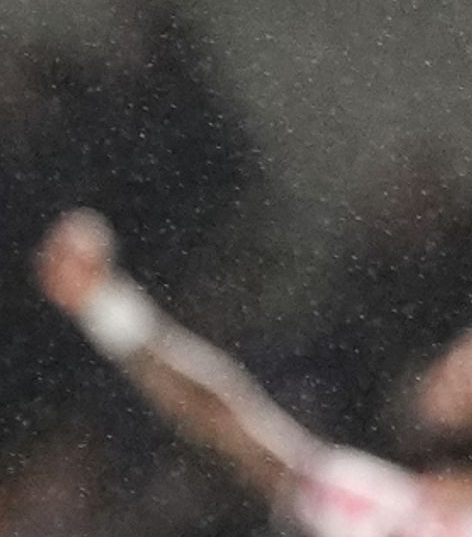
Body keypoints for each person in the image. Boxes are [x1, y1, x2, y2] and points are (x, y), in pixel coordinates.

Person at [36, 208, 472, 537]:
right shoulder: (388, 503)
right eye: (456, 361)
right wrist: (105, 307)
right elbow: (225, 415)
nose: (453, 371)